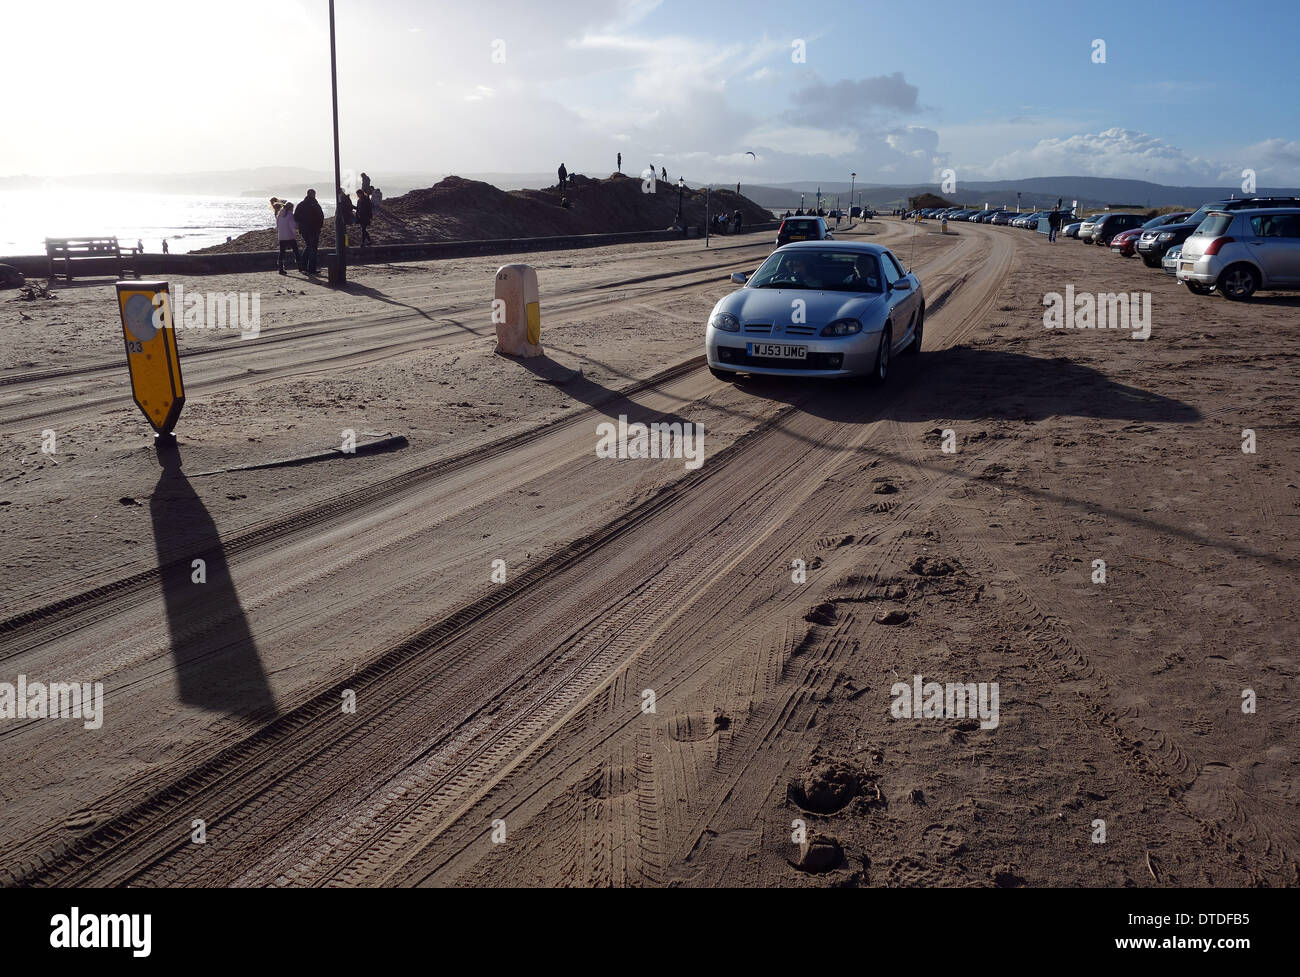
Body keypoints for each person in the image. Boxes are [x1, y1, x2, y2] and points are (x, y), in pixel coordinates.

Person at [295, 188, 324, 273]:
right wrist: (319, 226)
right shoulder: (315, 204)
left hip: (304, 229)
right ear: (314, 195)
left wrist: (302, 222)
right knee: (313, 248)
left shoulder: (301, 204)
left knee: (309, 246)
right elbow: (320, 216)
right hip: (314, 229)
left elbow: (295, 217)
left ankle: (303, 265)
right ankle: (311, 268)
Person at [276, 200, 300, 274]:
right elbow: (292, 226)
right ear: (291, 208)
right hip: (289, 236)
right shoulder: (290, 215)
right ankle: (300, 266)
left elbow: (278, 226)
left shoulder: (279, 215)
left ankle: (280, 268)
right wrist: (297, 228)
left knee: (282, 252)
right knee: (296, 251)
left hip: (281, 236)